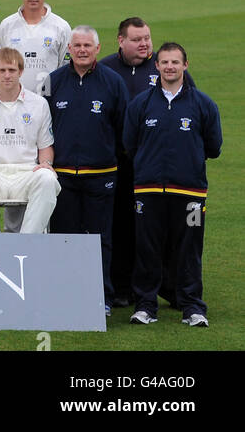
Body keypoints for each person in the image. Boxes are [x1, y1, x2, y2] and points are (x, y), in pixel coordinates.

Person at [123, 43, 221, 327]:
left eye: (175, 62)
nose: (169, 67)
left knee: (189, 250)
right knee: (147, 249)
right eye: (164, 62)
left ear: (185, 66)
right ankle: (145, 307)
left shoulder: (204, 104)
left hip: (190, 192)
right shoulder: (140, 104)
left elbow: (214, 148)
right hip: (148, 190)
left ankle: (192, 307)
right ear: (156, 66)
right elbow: (130, 144)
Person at [100, 17, 195, 308]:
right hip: (118, 163)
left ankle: (169, 286)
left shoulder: (163, 67)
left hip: (157, 165)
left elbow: (191, 109)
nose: (145, 45)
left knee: (162, 228)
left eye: (147, 38)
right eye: (137, 39)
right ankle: (122, 287)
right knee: (122, 225)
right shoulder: (105, 69)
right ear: (121, 41)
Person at [47, 25, 130, 315]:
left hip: (101, 175)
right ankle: (64, 292)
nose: (82, 50)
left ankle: (101, 296)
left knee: (99, 238)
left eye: (87, 46)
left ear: (97, 48)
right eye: (77, 45)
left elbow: (124, 128)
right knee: (63, 236)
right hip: (63, 175)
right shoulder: (53, 81)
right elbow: (42, 129)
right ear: (68, 48)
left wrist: (108, 156)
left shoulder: (113, 81)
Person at [0, 48, 58, 234]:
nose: (7, 75)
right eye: (2, 71)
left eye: (12, 70)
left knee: (48, 178)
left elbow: (45, 146)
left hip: (27, 172)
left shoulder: (38, 104)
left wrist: (46, 163)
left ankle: (26, 242)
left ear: (21, 72)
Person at [0, 0, 71, 96]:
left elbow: (65, 68)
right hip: (14, 100)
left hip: (49, 100)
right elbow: (1, 66)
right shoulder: (6, 26)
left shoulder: (62, 27)